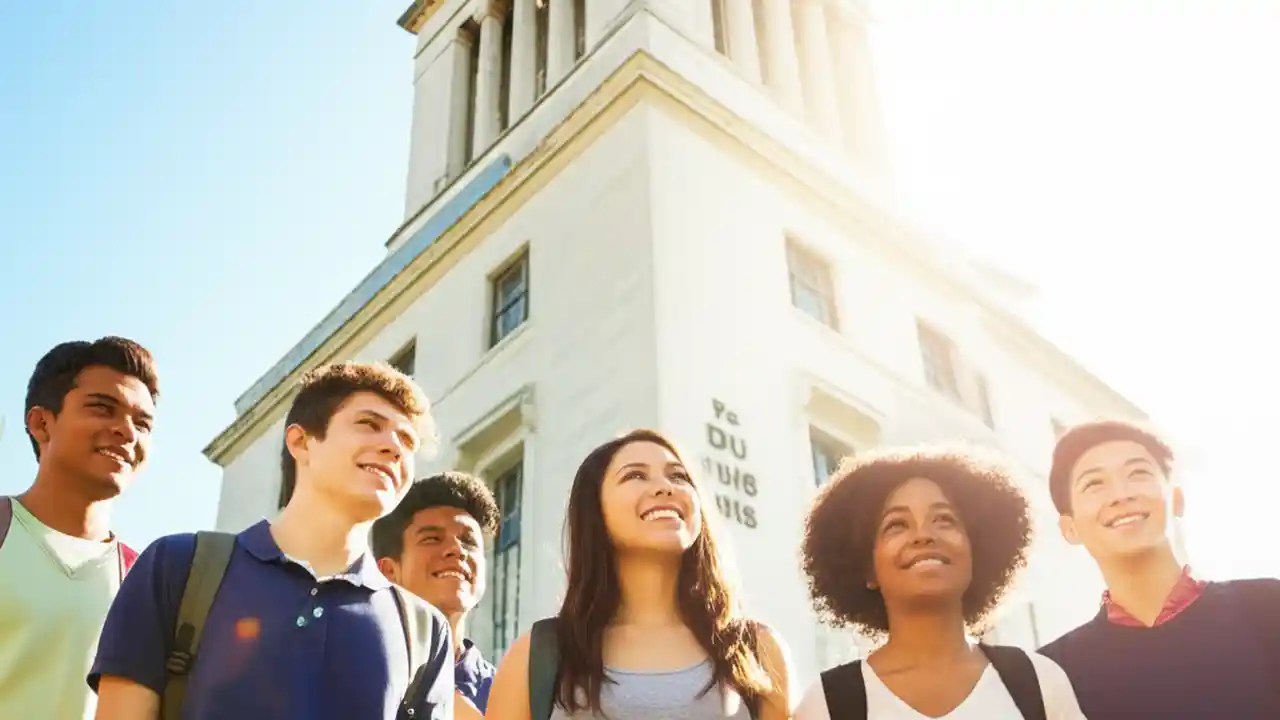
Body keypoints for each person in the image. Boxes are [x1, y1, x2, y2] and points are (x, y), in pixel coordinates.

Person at [89, 362, 455, 720]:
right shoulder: (177, 566)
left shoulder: (424, 632)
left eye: (407, 440)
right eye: (369, 424)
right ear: (301, 441)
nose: (393, 446)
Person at [484, 429, 793, 719]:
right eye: (635, 475)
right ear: (596, 510)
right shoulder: (537, 658)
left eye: (679, 476)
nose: (665, 487)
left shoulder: (756, 652)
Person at [795, 447, 1085, 720]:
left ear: (977, 552)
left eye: (944, 520)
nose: (924, 535)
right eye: (896, 525)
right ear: (867, 569)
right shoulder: (828, 704)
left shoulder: (1039, 683)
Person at [1040, 419, 1280, 718]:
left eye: (1138, 473)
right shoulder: (1050, 674)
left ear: (1177, 499)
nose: (1121, 495)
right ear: (1069, 528)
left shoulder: (1266, 606)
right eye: (1094, 483)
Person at [0, 336, 159, 720]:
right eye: (103, 409)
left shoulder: (146, 580)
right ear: (41, 423)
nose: (127, 431)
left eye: (142, 423)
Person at [373, 471, 501, 715]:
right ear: (388, 571)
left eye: (469, 541)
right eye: (432, 539)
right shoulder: (355, 669)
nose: (456, 550)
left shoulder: (507, 694)